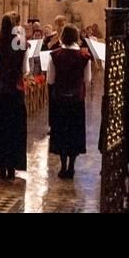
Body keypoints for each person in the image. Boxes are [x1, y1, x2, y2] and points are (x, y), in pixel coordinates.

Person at [0, 11, 27, 179]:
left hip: (0, 90)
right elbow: (24, 69)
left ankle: (1, 167)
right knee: (14, 129)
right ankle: (12, 167)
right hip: (15, 90)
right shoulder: (19, 41)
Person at [46, 24, 91, 179]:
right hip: (77, 100)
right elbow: (87, 79)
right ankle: (72, 166)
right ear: (76, 38)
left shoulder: (55, 55)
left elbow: (50, 80)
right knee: (74, 133)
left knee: (61, 132)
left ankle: (63, 166)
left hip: (60, 100)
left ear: (62, 37)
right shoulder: (84, 57)